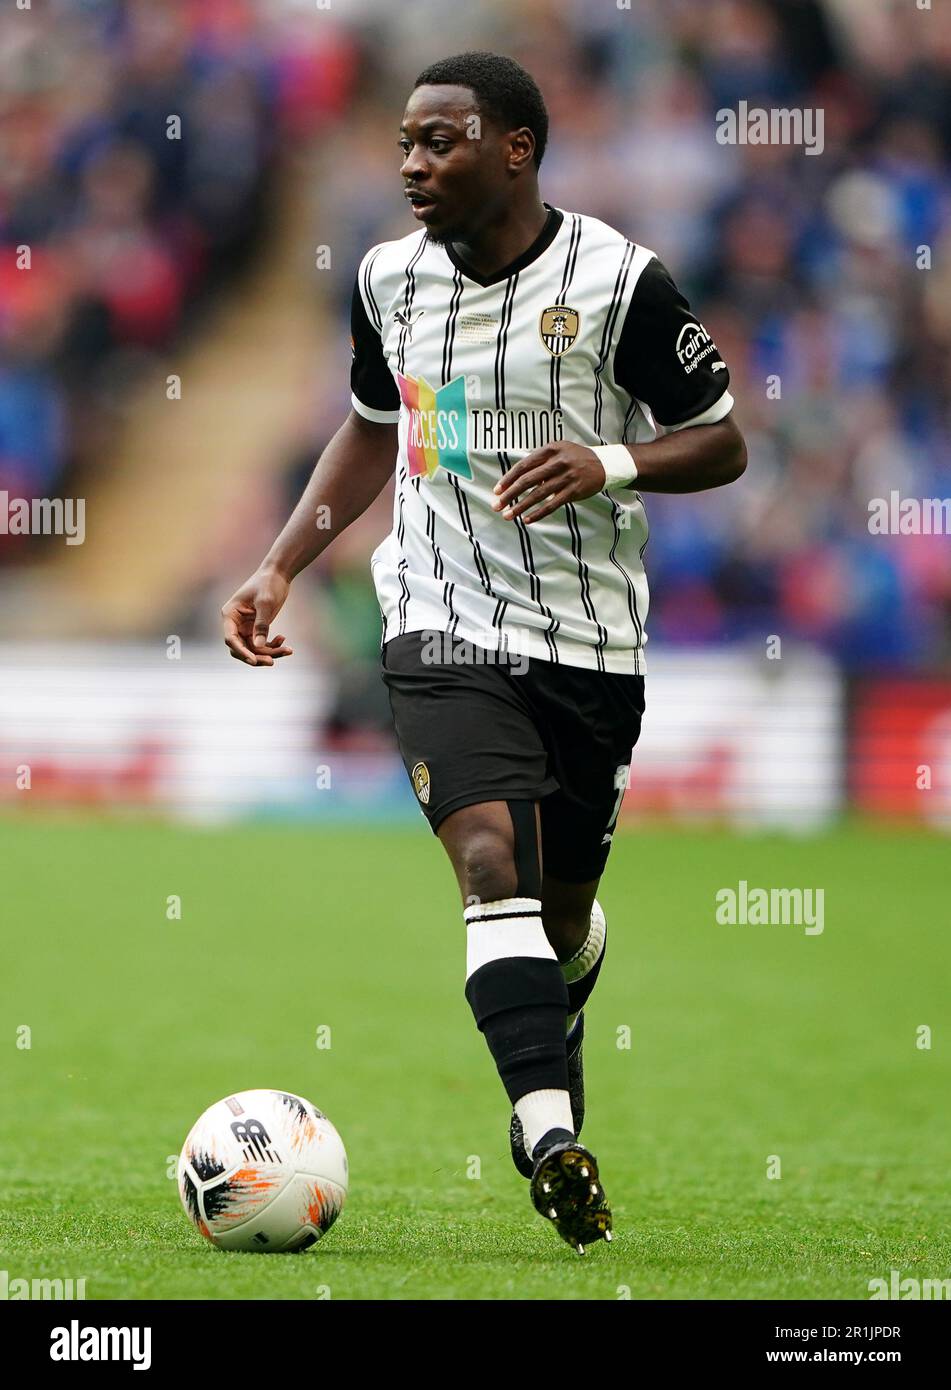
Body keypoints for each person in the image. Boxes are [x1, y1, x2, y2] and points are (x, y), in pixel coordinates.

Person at [221, 51, 747, 1254]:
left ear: (515, 149)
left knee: (561, 920)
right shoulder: (385, 278)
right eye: (406, 142)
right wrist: (280, 564)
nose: (412, 164)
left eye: (442, 141)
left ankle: (564, 990)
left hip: (590, 639)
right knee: (485, 854)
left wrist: (608, 461)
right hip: (440, 612)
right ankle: (551, 1128)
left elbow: (720, 443)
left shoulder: (619, 283)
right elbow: (369, 429)